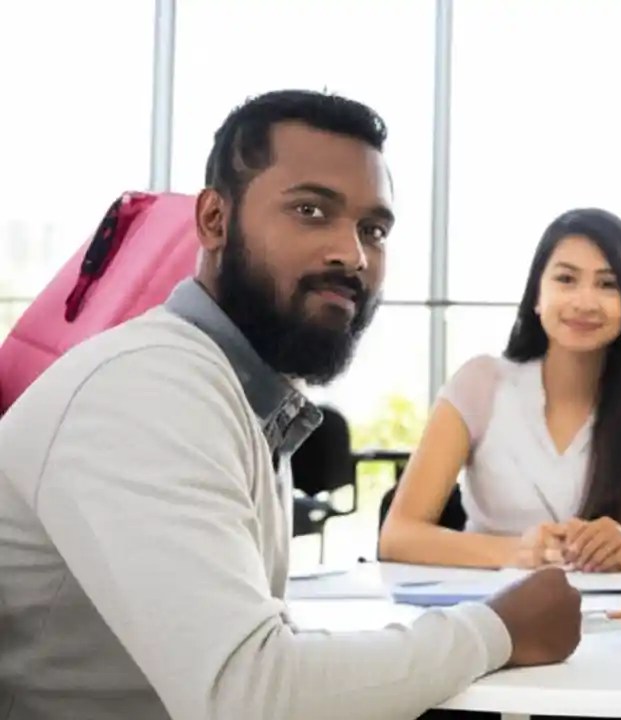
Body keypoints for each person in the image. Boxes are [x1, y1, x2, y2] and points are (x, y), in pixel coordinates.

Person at [0, 89, 582, 720]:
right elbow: (248, 694)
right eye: (311, 210)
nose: (352, 255)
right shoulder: (146, 387)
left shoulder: (242, 394)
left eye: (373, 229)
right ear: (214, 221)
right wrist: (497, 629)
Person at [380, 208, 621, 572]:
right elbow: (398, 535)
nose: (585, 302)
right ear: (537, 295)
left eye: (608, 284)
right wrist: (517, 553)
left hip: (619, 613)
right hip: (490, 611)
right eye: (566, 279)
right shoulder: (481, 383)